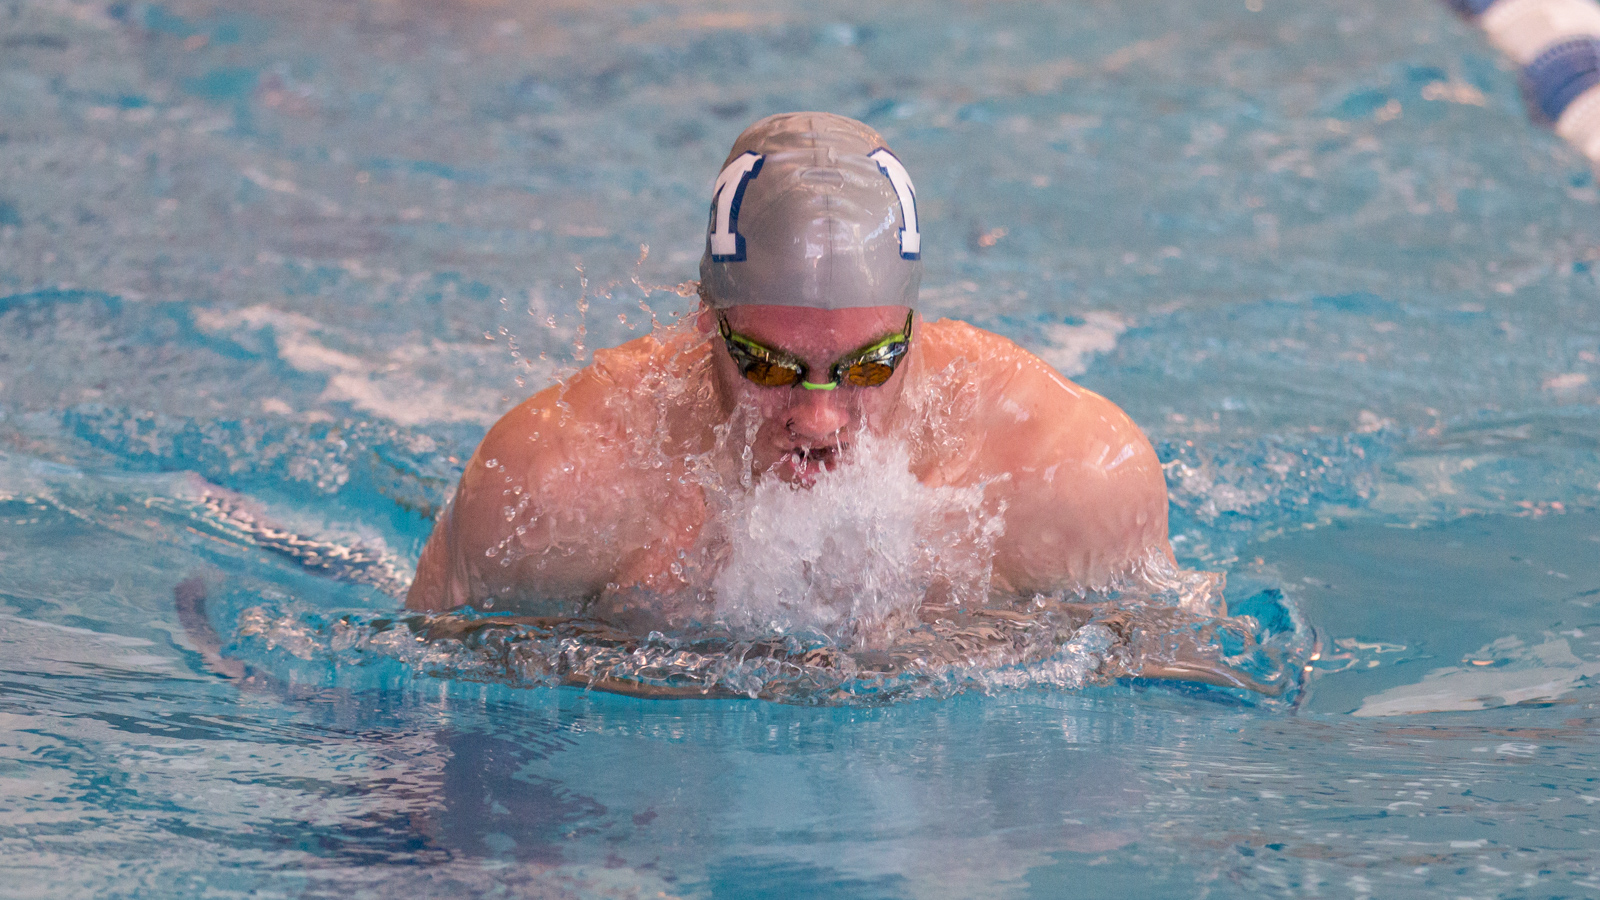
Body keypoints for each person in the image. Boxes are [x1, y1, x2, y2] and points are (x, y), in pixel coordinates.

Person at [406, 112, 1173, 634]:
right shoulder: (556, 485)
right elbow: (420, 736)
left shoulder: (1069, 475)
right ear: (704, 320)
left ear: (913, 329)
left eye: (870, 364)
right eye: (769, 366)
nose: (819, 419)